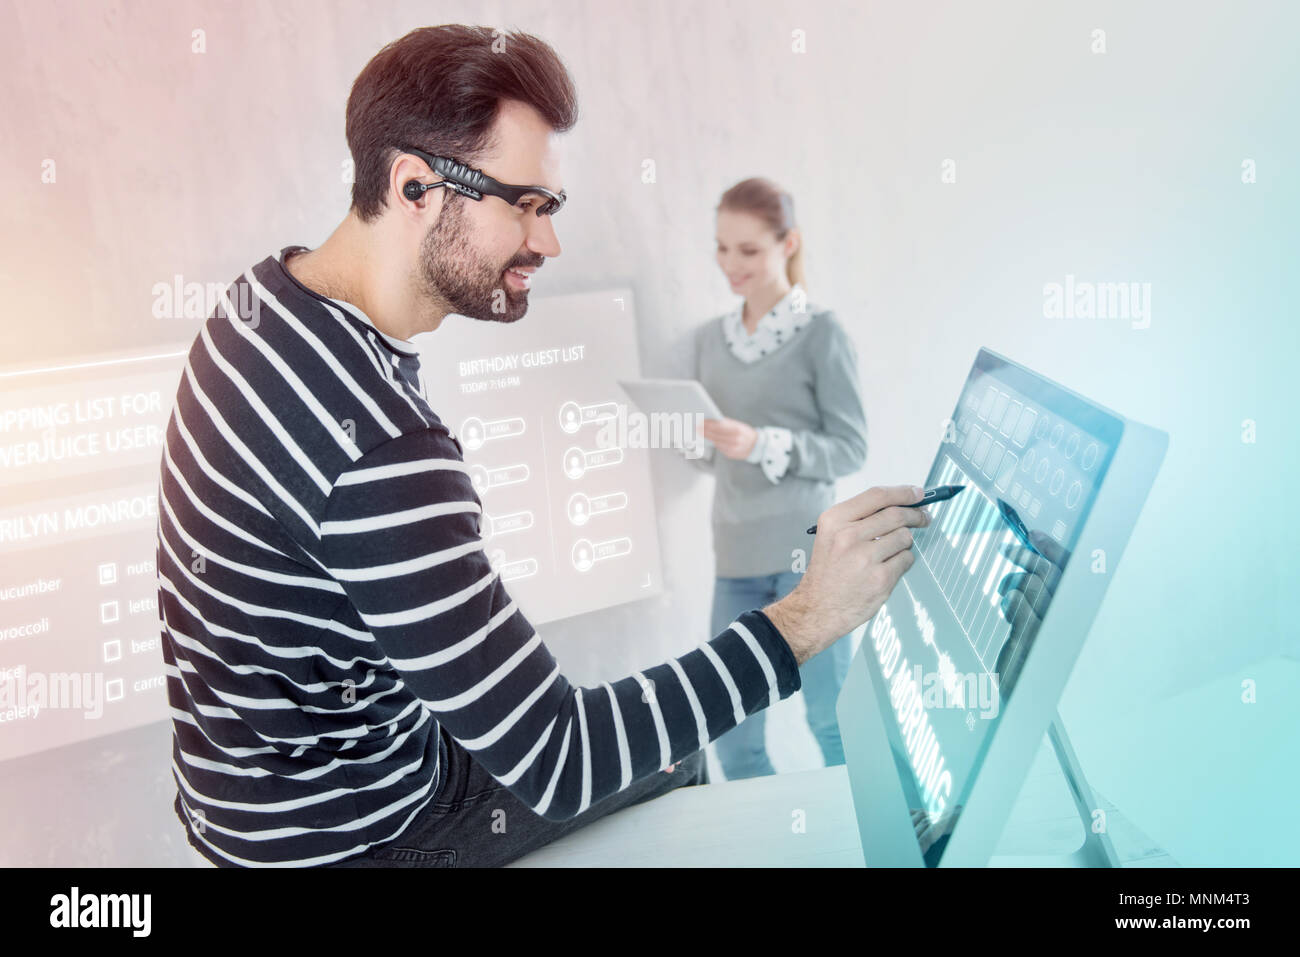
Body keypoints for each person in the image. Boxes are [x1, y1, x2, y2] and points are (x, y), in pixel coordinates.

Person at [156, 24, 929, 868]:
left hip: (250, 800)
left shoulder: (258, 301)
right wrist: (812, 614)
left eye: (549, 207)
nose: (547, 243)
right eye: (522, 204)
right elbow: (563, 759)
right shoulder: (382, 448)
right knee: (676, 756)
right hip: (351, 843)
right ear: (414, 186)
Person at [683, 178, 869, 779]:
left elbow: (850, 447)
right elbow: (714, 457)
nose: (729, 265)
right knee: (733, 742)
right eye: (721, 248)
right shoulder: (710, 340)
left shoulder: (822, 334)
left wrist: (763, 442)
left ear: (788, 244)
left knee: (832, 722)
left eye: (748, 250)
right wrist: (688, 437)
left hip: (808, 559)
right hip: (734, 559)